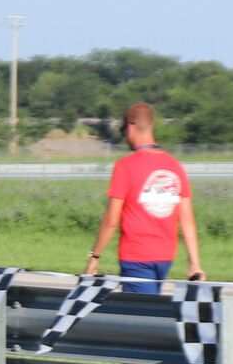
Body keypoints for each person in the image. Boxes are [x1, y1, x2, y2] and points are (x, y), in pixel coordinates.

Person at [84, 102, 202, 294]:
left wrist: (94, 257)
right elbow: (187, 220)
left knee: (142, 316)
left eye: (123, 130)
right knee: (150, 312)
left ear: (130, 126)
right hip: (165, 257)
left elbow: (111, 221)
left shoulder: (125, 166)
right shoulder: (174, 166)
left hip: (136, 256)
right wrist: (194, 263)